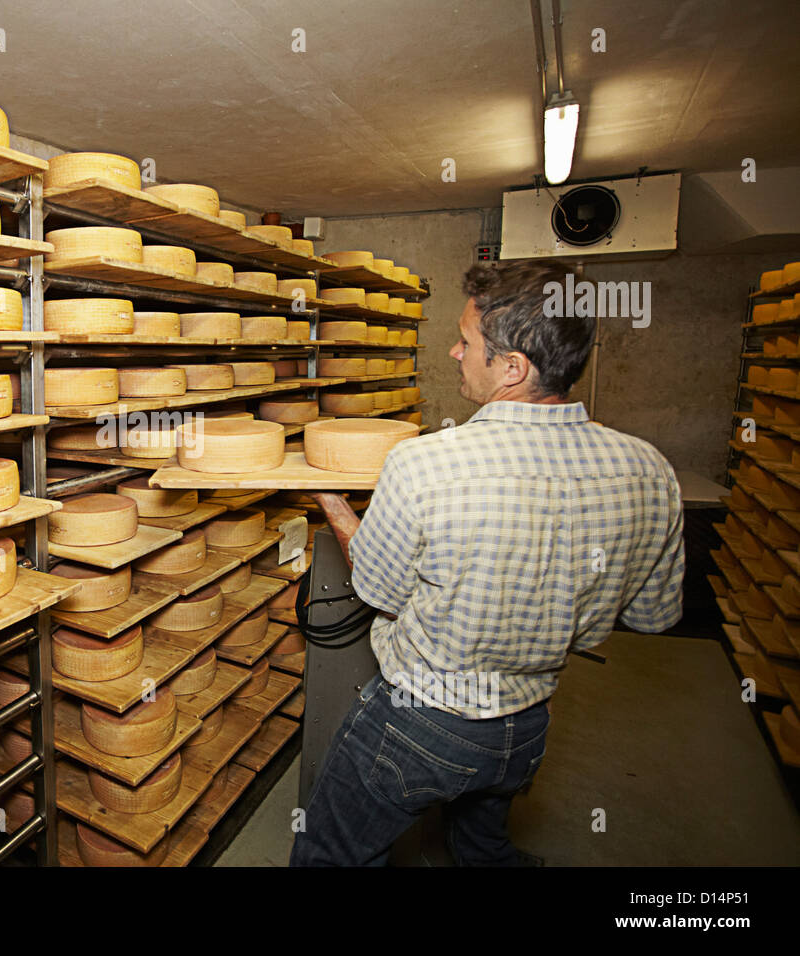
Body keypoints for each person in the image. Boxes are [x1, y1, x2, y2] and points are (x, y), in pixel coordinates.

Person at [289, 259, 685, 867]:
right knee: (480, 844)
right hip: (526, 723)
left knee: (328, 854)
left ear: (513, 367)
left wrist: (336, 508)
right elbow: (656, 616)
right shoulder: (648, 469)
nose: (453, 351)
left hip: (419, 724)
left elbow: (380, 590)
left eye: (467, 341)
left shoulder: (425, 463)